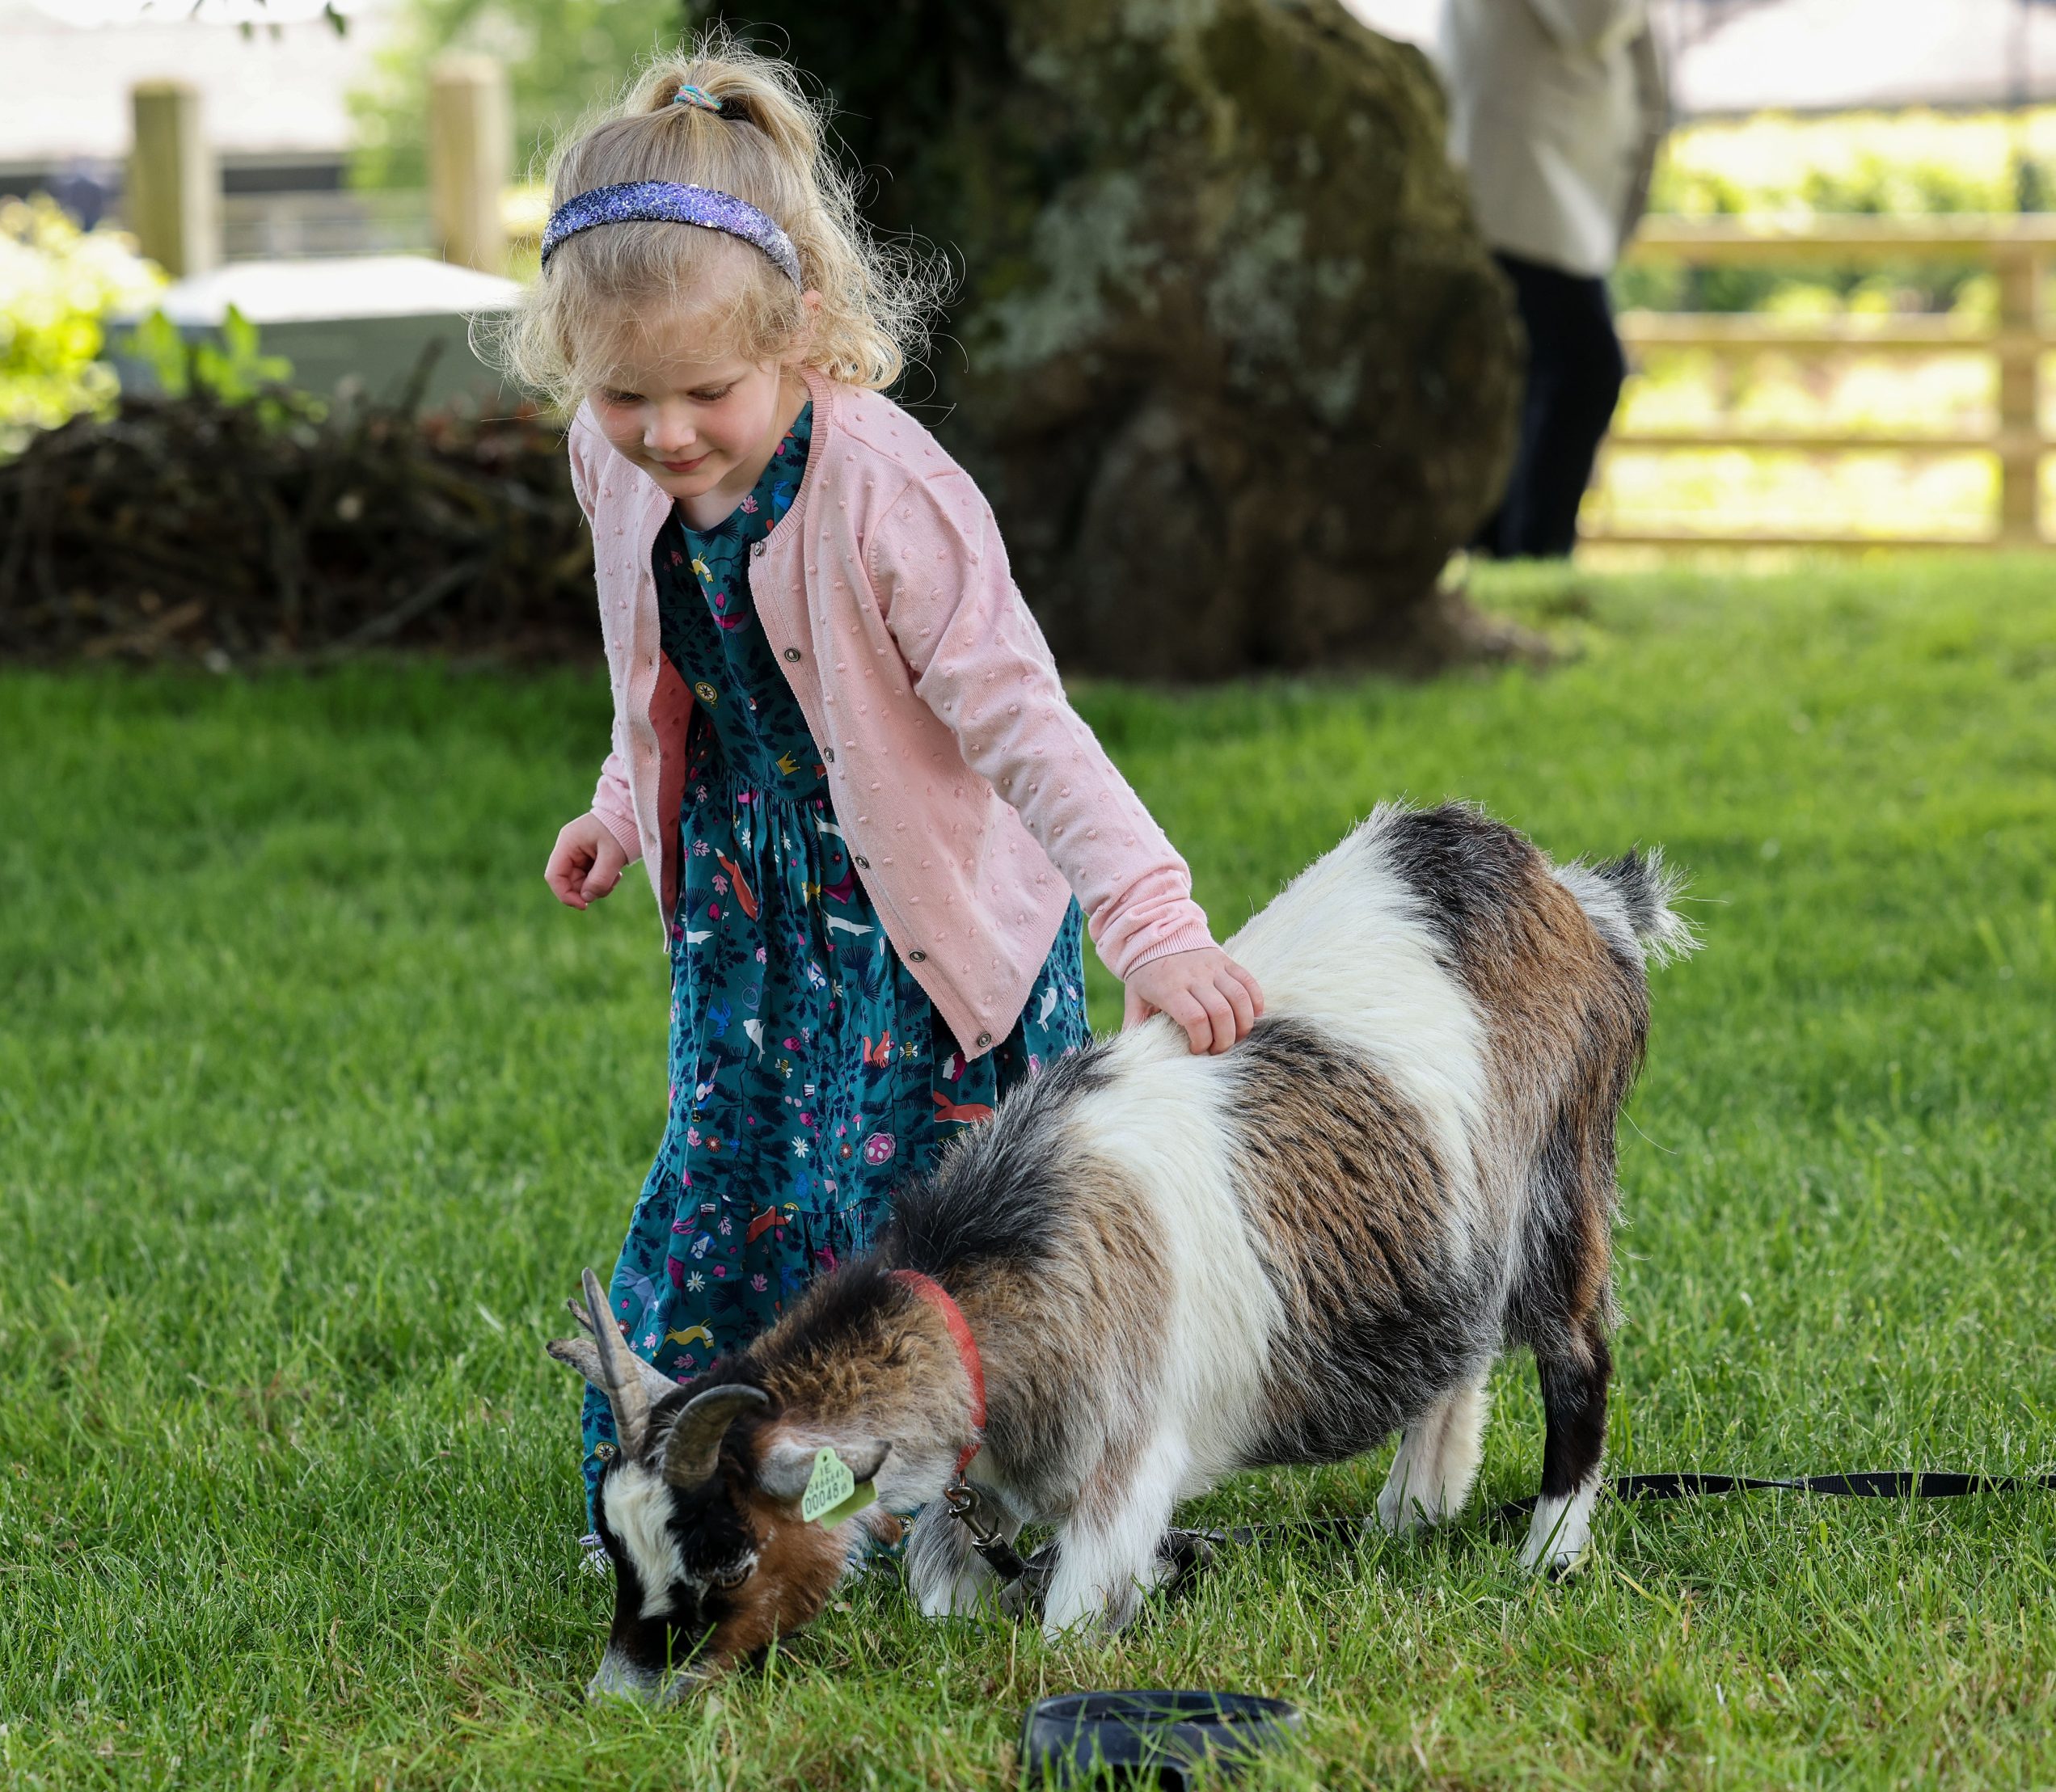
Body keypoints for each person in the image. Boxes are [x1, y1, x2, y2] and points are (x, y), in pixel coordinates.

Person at [500, 39, 1266, 1545]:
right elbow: (662, 671)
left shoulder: (890, 496)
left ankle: (940, 1496)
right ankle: (699, 1485)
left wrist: (1153, 919)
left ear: (806, 327)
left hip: (919, 939)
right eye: (621, 397)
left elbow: (1027, 729)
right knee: (728, 1180)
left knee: (920, 1227)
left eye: (706, 392)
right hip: (747, 920)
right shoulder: (624, 468)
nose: (664, 435)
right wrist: (615, 796)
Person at [1440, 0, 1667, 558]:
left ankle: (1499, 556)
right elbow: (1591, 18)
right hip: (1521, 184)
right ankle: (1530, 556)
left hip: (1527, 181)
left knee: (1521, 380)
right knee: (1584, 369)